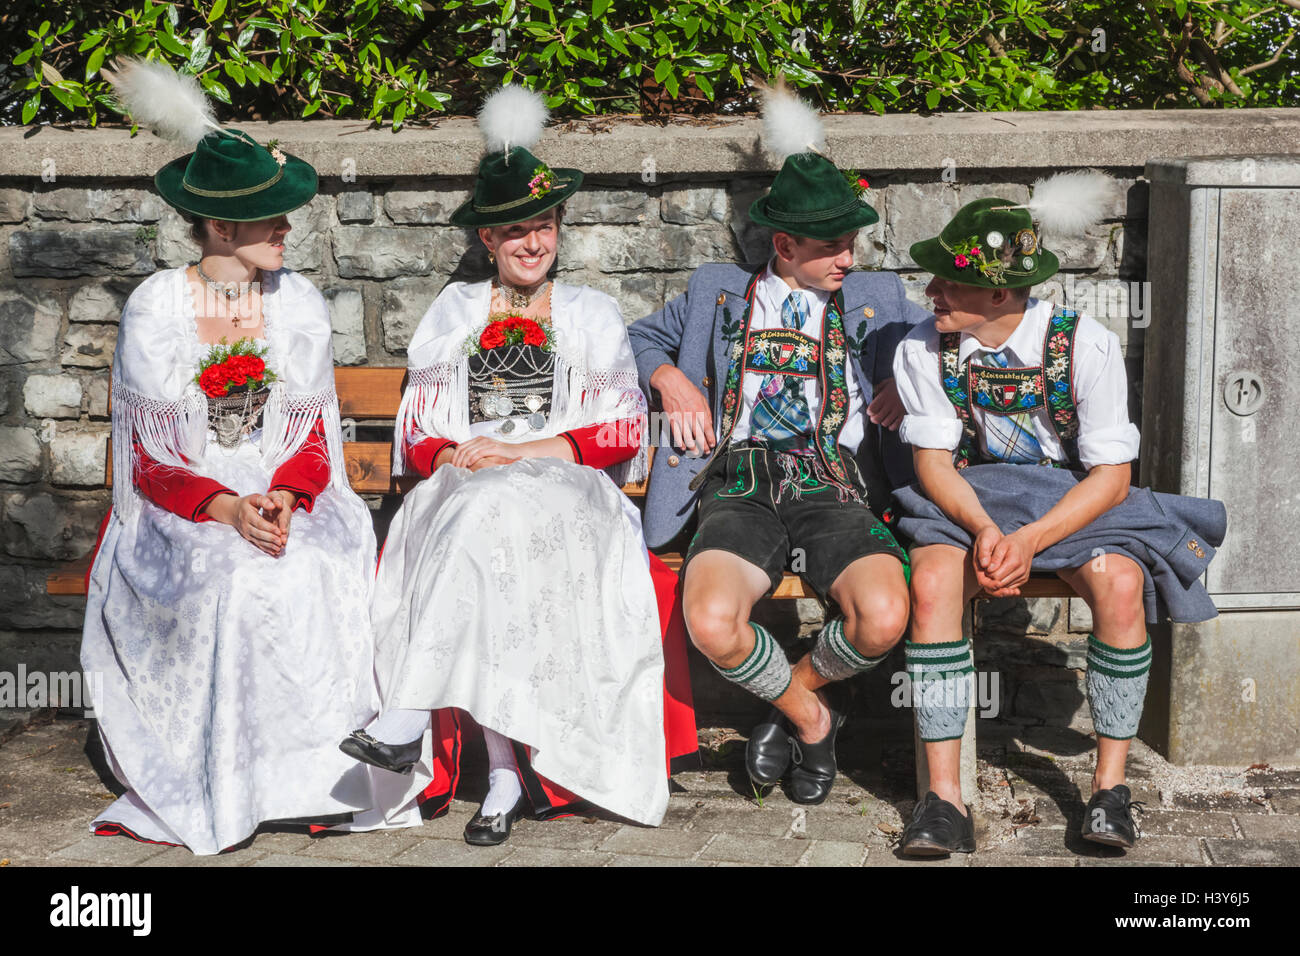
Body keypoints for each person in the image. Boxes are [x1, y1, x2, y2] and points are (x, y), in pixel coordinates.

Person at [340, 86, 697, 846]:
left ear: (559, 229)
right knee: (480, 518)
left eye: (543, 225)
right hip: (468, 486)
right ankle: (502, 777)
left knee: (493, 514)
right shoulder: (457, 312)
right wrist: (461, 454)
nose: (532, 243)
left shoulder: (592, 314)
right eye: (514, 232)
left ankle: (412, 720)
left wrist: (524, 451)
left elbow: (623, 427)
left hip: (568, 491)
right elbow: (419, 430)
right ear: (489, 242)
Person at [81, 60, 391, 854]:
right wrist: (227, 509)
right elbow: (152, 459)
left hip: (280, 492)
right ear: (222, 230)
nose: (290, 232)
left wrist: (286, 497)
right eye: (273, 223)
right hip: (185, 503)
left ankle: (319, 782)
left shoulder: (299, 306)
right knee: (232, 578)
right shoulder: (159, 309)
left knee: (318, 569)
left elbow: (313, 434)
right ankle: (227, 778)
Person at [891, 174, 1227, 855]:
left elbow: (1111, 476)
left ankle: (1108, 791)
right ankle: (944, 800)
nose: (930, 294)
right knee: (931, 584)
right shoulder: (923, 347)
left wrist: (1034, 537)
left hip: (1072, 500)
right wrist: (987, 530)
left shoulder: (1086, 345)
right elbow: (930, 466)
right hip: (967, 496)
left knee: (1122, 582)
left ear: (997, 292)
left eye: (947, 283)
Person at [627, 82, 927, 806]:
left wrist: (912, 378)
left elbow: (952, 330)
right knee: (711, 622)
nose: (847, 260)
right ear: (784, 246)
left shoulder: (877, 296)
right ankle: (812, 717)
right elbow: (636, 337)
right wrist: (672, 380)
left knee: (885, 616)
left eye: (851, 244)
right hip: (739, 483)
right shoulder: (716, 289)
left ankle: (789, 696)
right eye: (831, 248)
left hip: (835, 481)